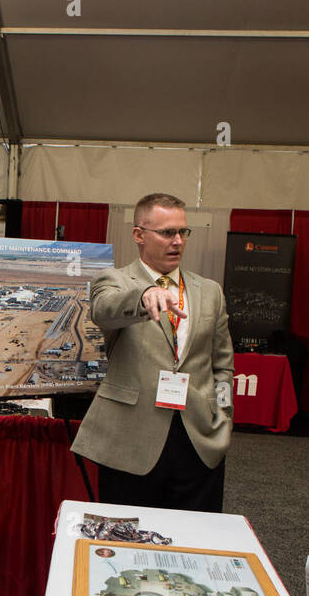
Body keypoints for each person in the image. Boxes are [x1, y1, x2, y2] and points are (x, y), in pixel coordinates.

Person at [71, 193, 233, 512]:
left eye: (183, 232)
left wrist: (223, 415)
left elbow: (222, 363)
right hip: (131, 439)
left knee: (196, 539)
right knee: (128, 538)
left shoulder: (209, 291)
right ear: (139, 235)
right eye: (167, 232)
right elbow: (104, 310)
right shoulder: (113, 281)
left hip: (198, 437)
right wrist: (145, 294)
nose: (178, 242)